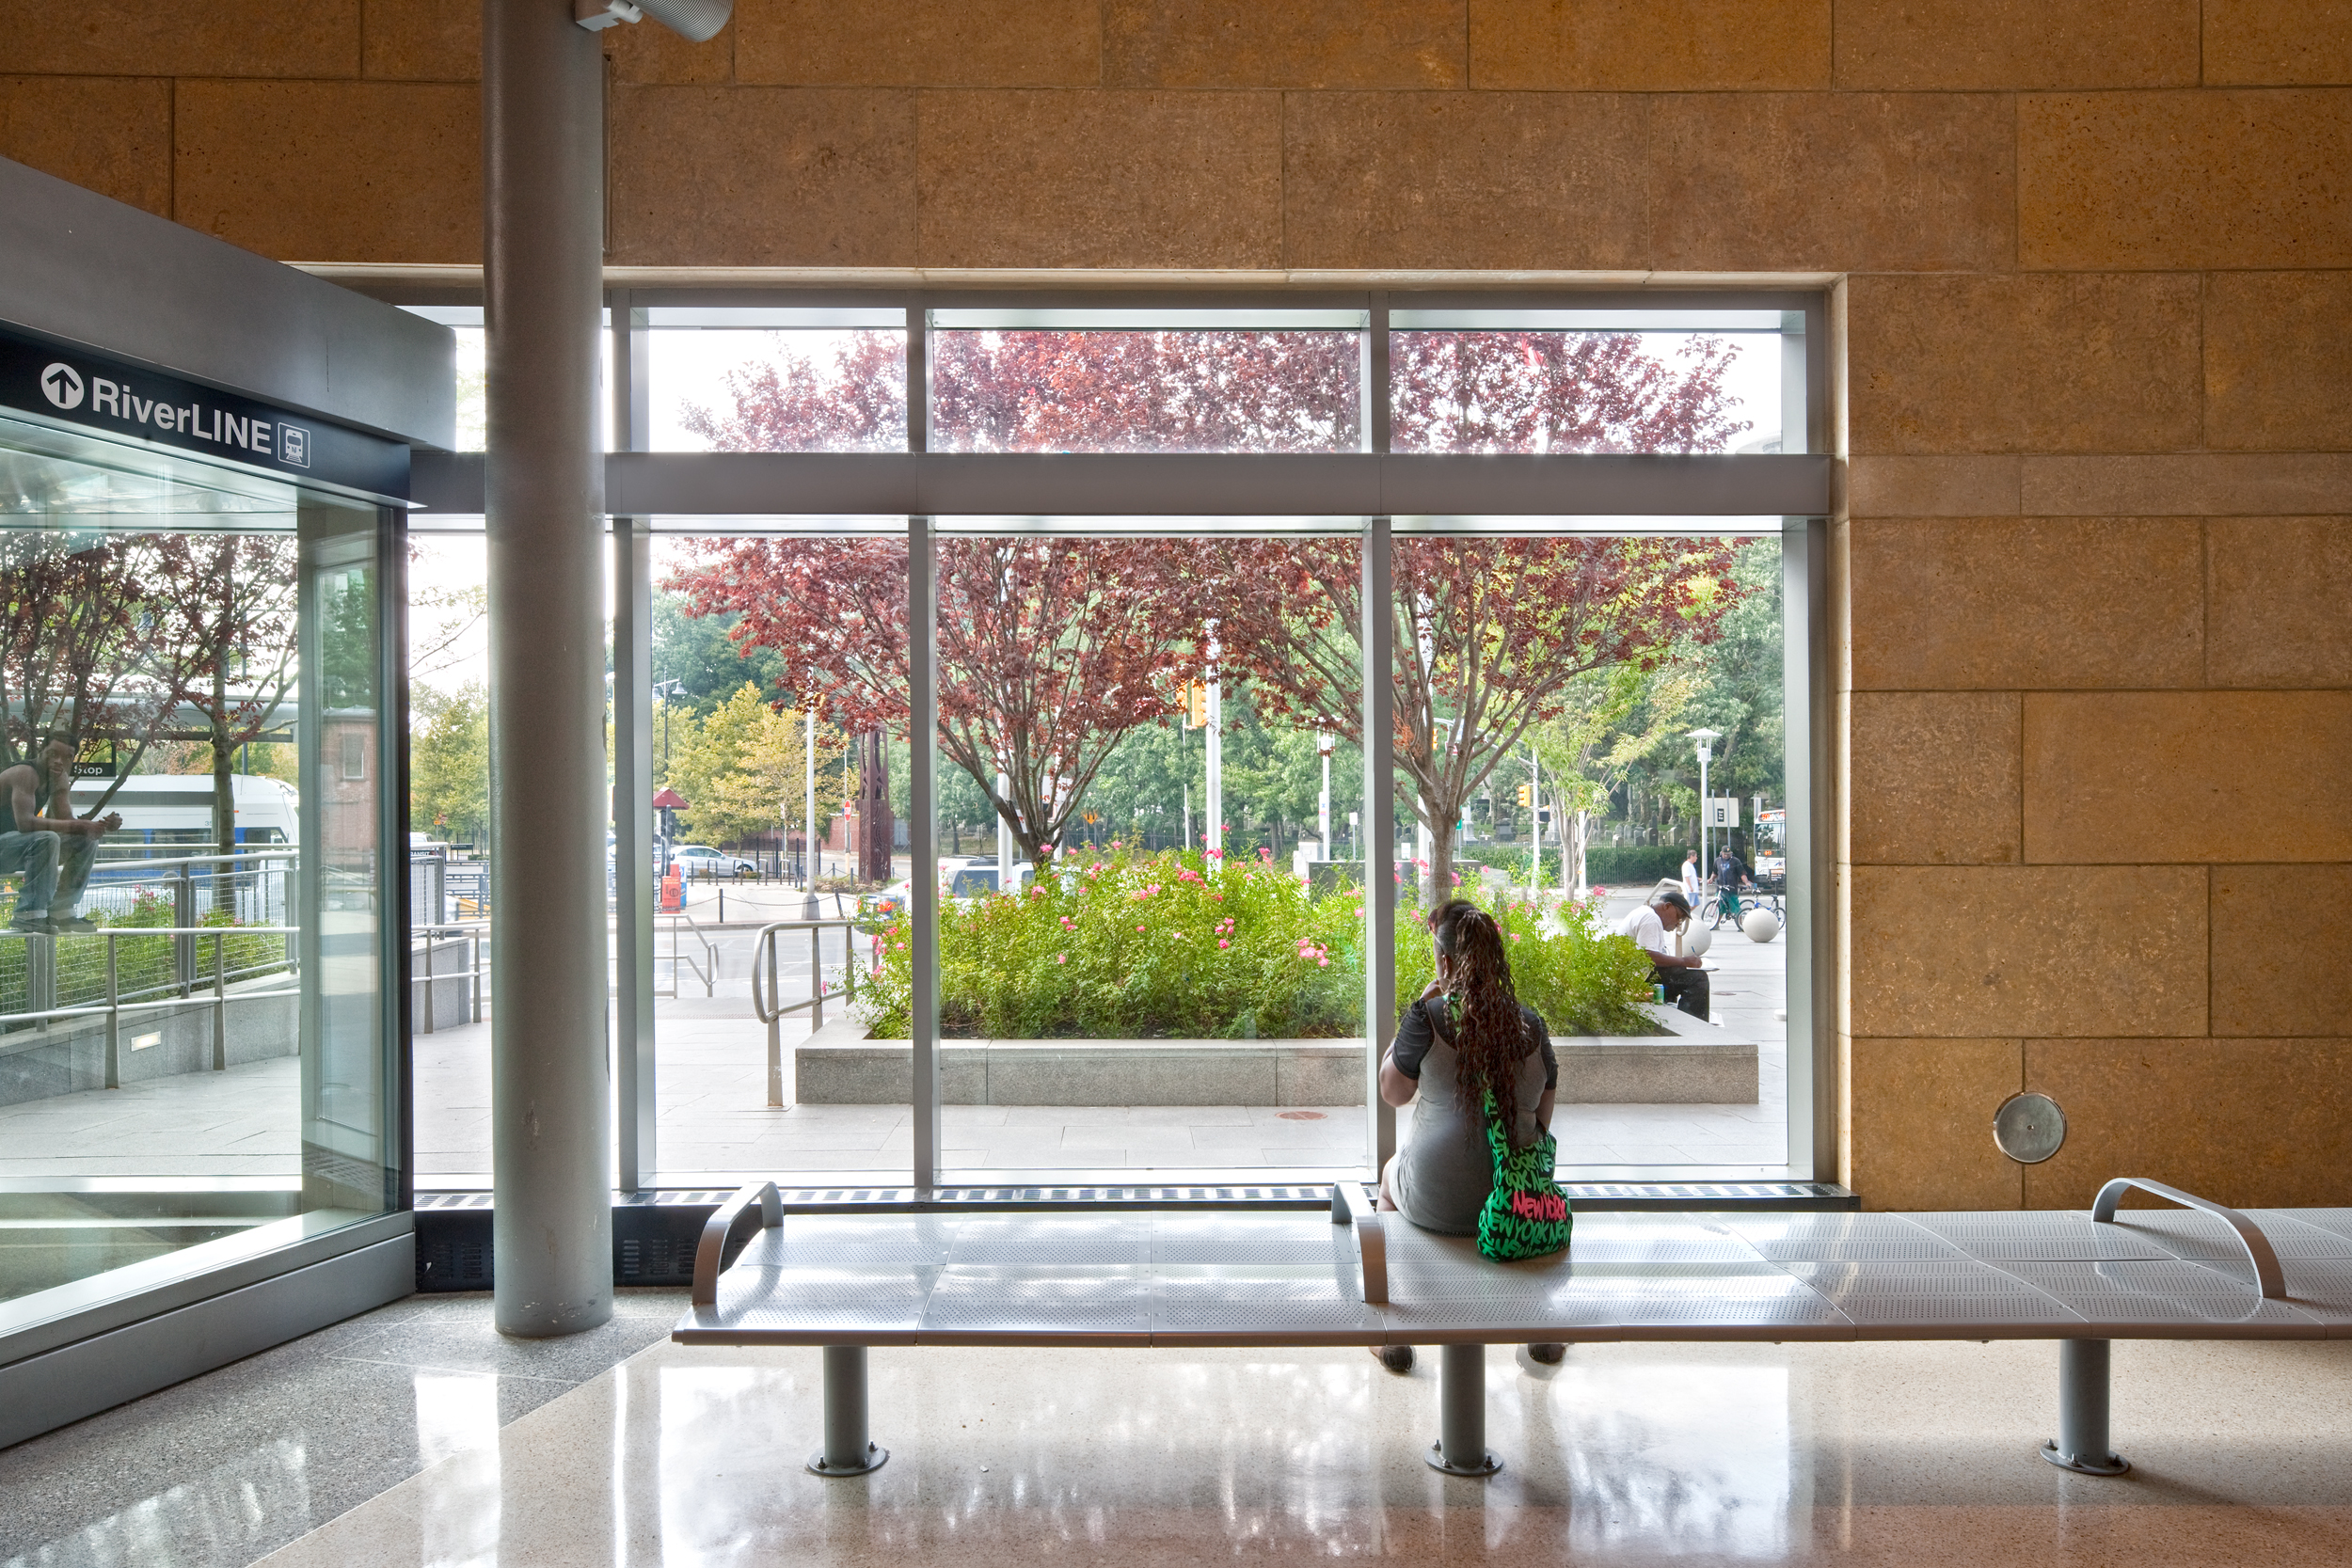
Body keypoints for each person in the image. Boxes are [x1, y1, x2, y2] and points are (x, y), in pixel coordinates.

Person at [1373, 898, 1564, 1372]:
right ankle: (1543, 1328)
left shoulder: (1429, 1017)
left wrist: (1417, 1011)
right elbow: (1542, 1121)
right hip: (1514, 1201)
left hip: (1436, 1201)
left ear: (1444, 960)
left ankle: (1389, 1326)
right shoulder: (1533, 1025)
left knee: (1388, 1177)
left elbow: (1392, 1093)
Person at [0, 736, 121, 935]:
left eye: (67, 757)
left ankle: (61, 910)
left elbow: (68, 822)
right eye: (53, 754)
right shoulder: (25, 773)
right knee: (47, 838)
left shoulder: (59, 778)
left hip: (15, 848)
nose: (59, 761)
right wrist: (81, 825)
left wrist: (100, 826)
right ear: (41, 752)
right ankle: (28, 912)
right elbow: (25, 823)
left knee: (85, 840)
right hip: (5, 847)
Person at [1617, 886, 1708, 1020]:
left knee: (1677, 974)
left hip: (1632, 973)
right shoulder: (1651, 919)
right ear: (1667, 906)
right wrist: (1684, 961)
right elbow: (1648, 956)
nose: (1678, 923)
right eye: (1679, 917)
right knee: (1697, 979)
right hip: (1634, 978)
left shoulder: (1645, 912)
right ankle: (1692, 1024)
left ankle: (1675, 1016)